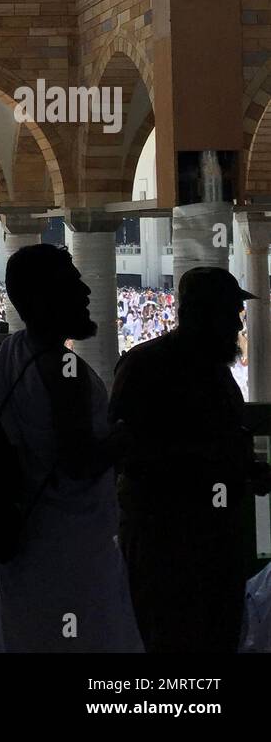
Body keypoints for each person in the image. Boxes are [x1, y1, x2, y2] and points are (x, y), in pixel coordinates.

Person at [0, 244, 141, 652]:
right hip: (72, 551)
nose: (86, 292)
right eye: (72, 284)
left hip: (25, 541)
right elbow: (78, 461)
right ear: (43, 299)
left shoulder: (8, 354)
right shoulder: (62, 370)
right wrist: (125, 438)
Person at [111, 267, 271, 653]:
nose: (237, 323)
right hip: (167, 541)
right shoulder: (147, 367)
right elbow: (132, 453)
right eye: (230, 312)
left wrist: (244, 469)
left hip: (214, 537)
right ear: (203, 314)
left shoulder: (213, 370)